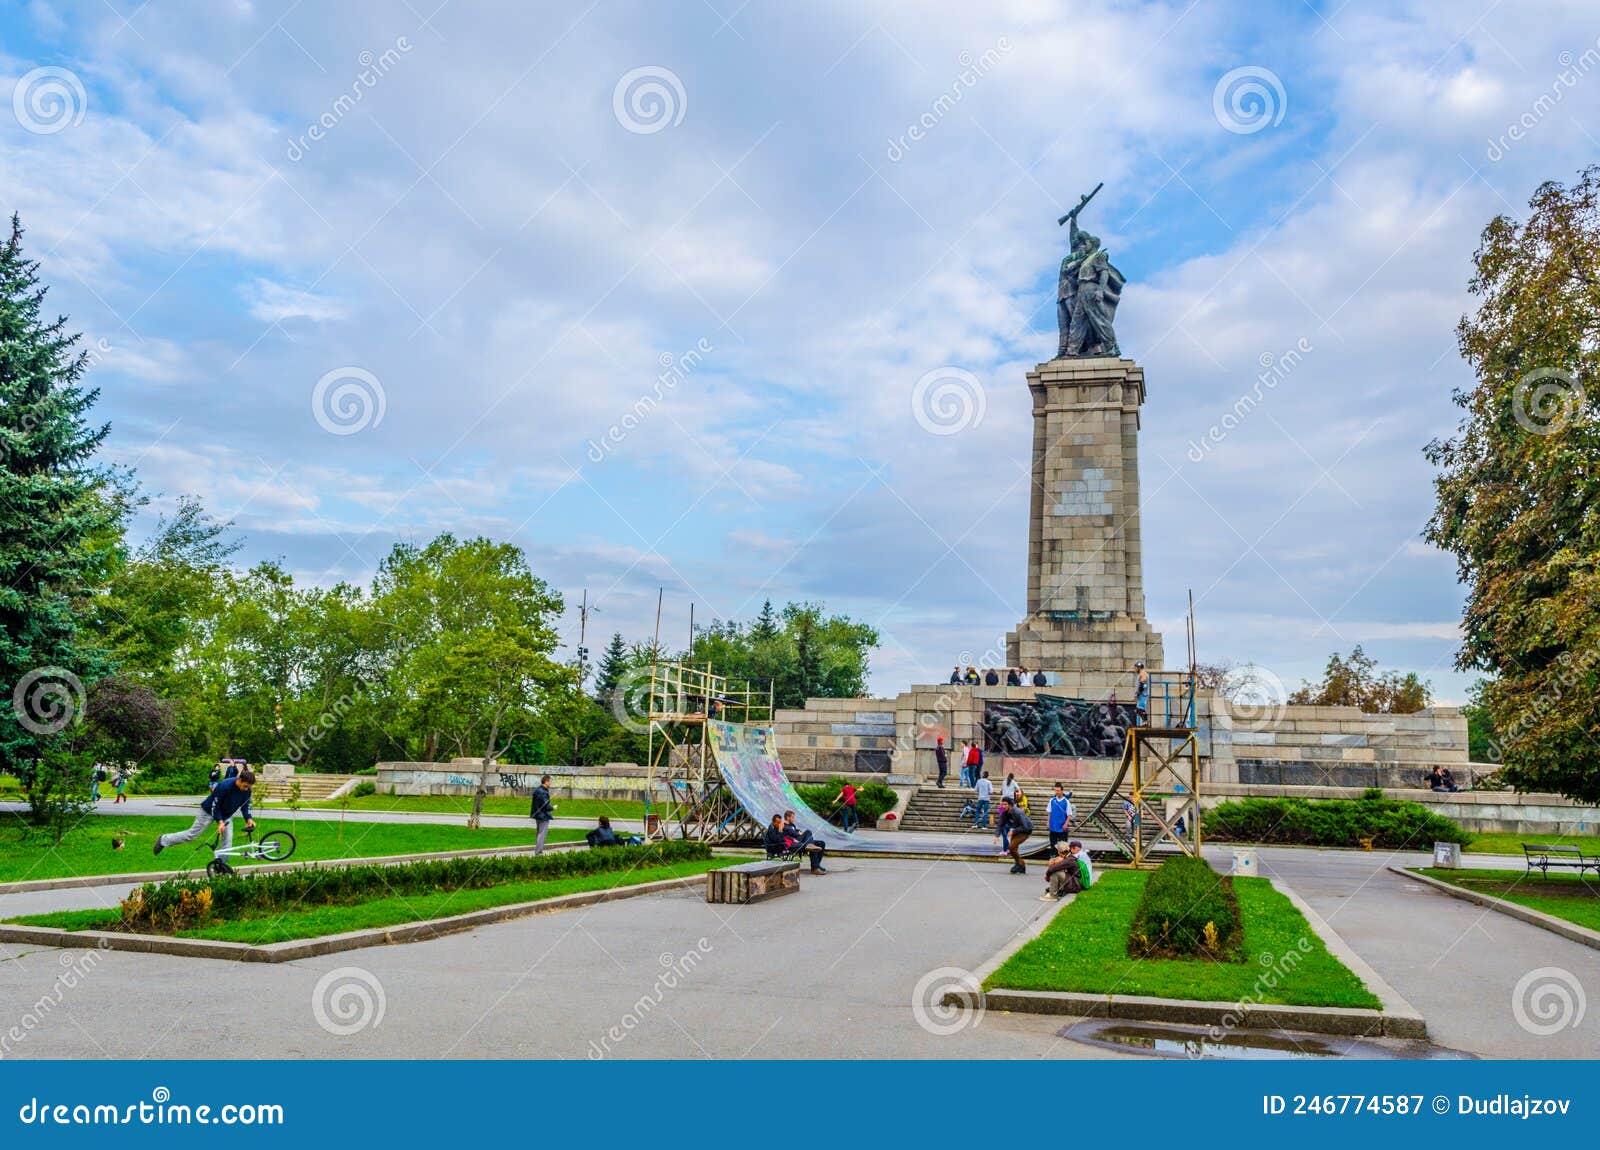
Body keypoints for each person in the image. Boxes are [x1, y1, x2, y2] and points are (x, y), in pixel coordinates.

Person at [152, 768, 256, 857]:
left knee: (227, 842)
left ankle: (220, 867)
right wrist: (219, 821)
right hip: (208, 812)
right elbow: (215, 806)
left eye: (249, 787)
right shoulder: (224, 786)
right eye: (246, 786)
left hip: (226, 815)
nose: (247, 789)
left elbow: (245, 805)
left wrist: (248, 818)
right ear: (240, 780)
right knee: (191, 835)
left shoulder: (247, 791)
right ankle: (163, 840)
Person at [994, 799, 1034, 873]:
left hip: (1026, 830)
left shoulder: (1018, 812)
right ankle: (1019, 865)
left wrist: (1013, 831)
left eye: (1005, 804)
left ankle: (1021, 864)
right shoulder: (1004, 813)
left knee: (1011, 847)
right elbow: (1000, 824)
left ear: (1010, 805)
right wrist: (996, 836)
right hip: (1016, 829)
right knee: (1013, 849)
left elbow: (1025, 826)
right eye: (1002, 804)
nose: (1003, 806)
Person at [529, 774, 555, 854]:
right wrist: (553, 808)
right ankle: (538, 852)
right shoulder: (542, 791)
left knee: (539, 833)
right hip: (543, 816)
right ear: (546, 781)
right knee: (542, 834)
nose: (551, 783)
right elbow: (545, 805)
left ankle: (538, 851)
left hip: (538, 815)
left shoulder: (539, 790)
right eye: (550, 781)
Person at [1048, 783, 1074, 848]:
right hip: (1053, 827)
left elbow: (1069, 814)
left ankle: (1062, 858)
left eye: (1058, 790)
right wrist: (1048, 822)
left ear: (1062, 791)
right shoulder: (1052, 800)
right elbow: (1049, 812)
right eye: (1055, 790)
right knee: (1053, 844)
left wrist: (1066, 824)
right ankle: (1053, 856)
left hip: (1062, 827)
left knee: (1063, 846)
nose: (1056, 792)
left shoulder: (1066, 801)